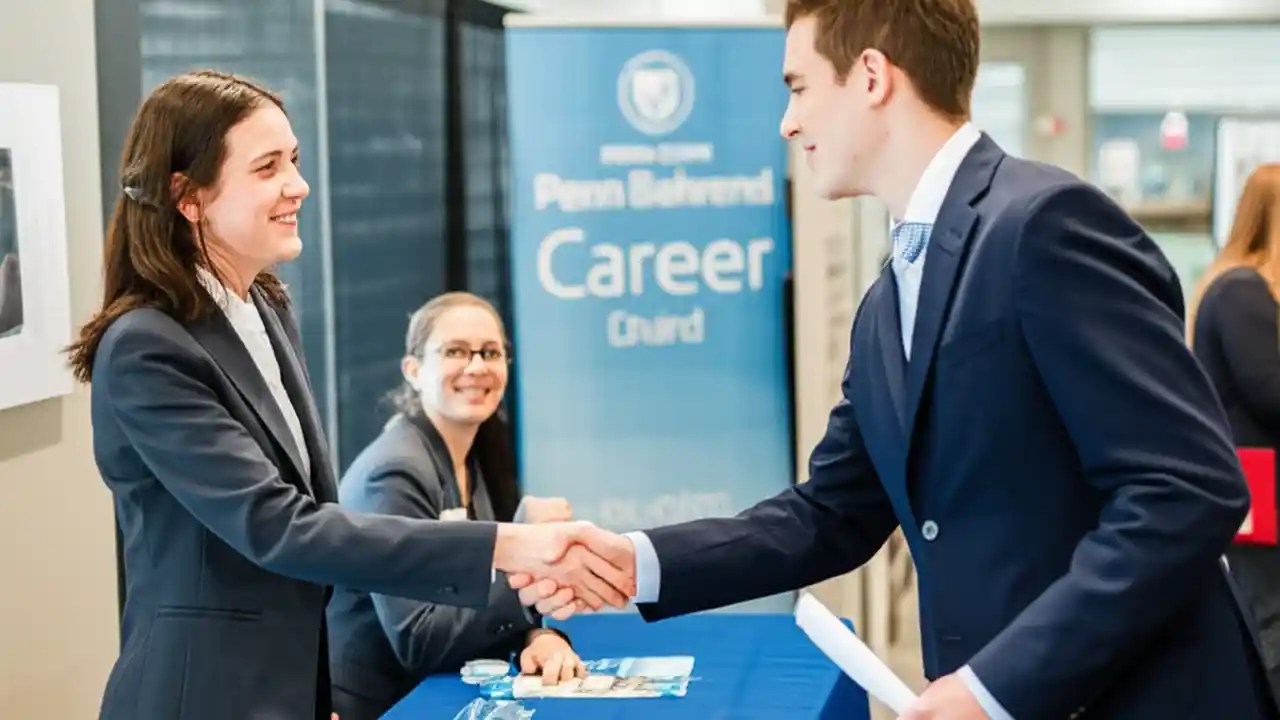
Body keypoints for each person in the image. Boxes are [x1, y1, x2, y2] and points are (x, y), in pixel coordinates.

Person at [516, 1, 1280, 717]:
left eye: (800, 87)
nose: (787, 122)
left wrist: (992, 687)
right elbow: (832, 515)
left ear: (873, 78)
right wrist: (633, 562)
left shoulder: (1042, 225)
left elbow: (1188, 489)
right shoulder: (890, 298)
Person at [65, 70, 629, 720]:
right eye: (269, 166)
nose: (298, 185)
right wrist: (504, 544)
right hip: (202, 696)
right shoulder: (147, 347)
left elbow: (309, 518)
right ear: (189, 197)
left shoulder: (267, 308)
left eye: (296, 161)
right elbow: (278, 527)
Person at [327, 292, 584, 719]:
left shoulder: (476, 456)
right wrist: (526, 567)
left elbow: (472, 600)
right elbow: (418, 637)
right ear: (413, 370)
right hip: (382, 708)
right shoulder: (393, 472)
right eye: (455, 351)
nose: (477, 366)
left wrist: (536, 639)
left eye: (490, 352)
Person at [1189, 163, 1280, 700]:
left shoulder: (1235, 287)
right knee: (1270, 626)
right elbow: (1272, 395)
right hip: (1262, 504)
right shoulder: (1242, 291)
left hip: (1257, 504)